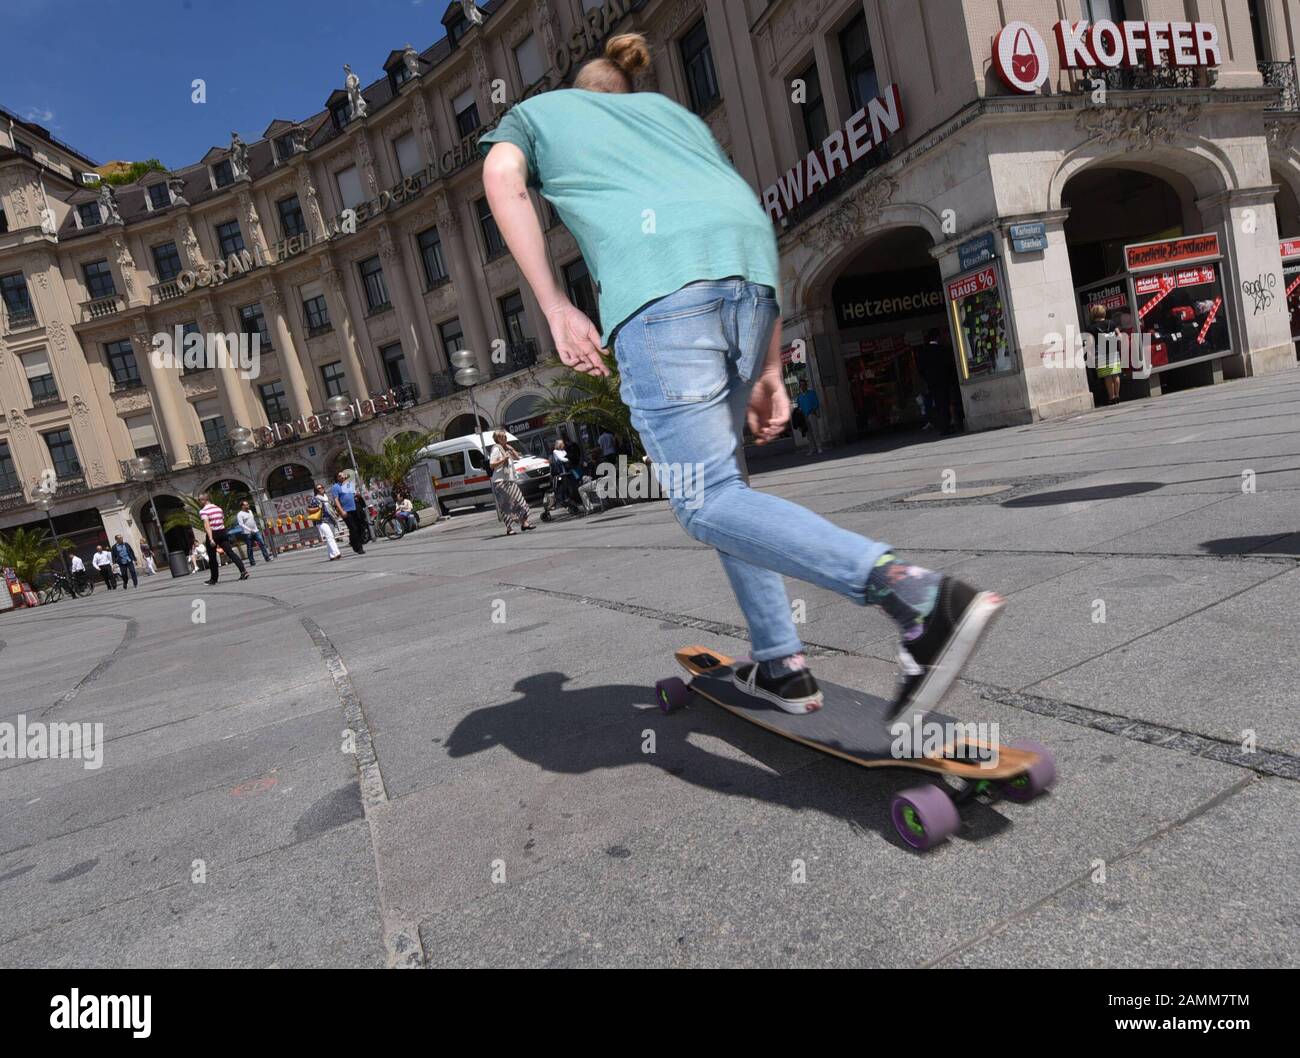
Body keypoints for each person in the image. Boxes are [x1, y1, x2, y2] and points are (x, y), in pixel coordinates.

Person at [480, 32, 1003, 716]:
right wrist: (768, 370)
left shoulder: (543, 111)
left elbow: (500, 179)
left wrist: (554, 306)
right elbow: (752, 221)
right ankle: (781, 661)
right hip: (746, 288)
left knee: (705, 502)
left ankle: (915, 595)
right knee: (730, 493)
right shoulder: (676, 122)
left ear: (582, 93)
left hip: (662, 302)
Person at [489, 430, 534, 535]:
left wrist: (511, 449)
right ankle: (509, 528)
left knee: (520, 501)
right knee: (506, 505)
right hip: (500, 482)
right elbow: (491, 465)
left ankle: (525, 523)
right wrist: (504, 459)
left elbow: (517, 457)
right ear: (497, 439)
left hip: (510, 480)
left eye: (505, 436)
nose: (504, 438)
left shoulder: (506, 448)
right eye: (502, 437)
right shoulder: (496, 449)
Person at [198, 493, 248, 584]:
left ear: (204, 500)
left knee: (212, 557)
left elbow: (207, 525)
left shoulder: (203, 511)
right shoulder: (218, 509)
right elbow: (221, 520)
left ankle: (214, 579)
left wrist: (210, 538)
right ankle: (243, 571)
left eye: (199, 500)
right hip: (222, 532)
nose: (199, 502)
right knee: (230, 552)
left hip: (213, 533)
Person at [1087, 303, 1123, 405]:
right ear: (1103, 313)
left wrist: (1090, 355)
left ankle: (1111, 397)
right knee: (1115, 374)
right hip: (1113, 351)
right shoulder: (1111, 323)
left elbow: (1090, 343)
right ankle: (1117, 395)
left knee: (1107, 376)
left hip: (1101, 353)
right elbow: (1119, 335)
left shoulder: (1091, 328)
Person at [330, 471, 366, 555]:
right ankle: (358, 548)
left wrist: (358, 495)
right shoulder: (335, 487)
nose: (342, 476)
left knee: (361, 526)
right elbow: (336, 500)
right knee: (353, 528)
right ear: (337, 478)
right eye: (339, 475)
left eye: (342, 474)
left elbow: (354, 494)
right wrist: (341, 511)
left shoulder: (349, 484)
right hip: (346, 510)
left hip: (355, 508)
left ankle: (353, 541)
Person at [308, 483, 342, 560]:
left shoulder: (328, 497)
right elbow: (309, 509)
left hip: (331, 519)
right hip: (321, 521)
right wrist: (318, 508)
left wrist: (337, 512)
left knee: (331, 537)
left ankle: (331, 556)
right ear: (316, 490)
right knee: (329, 536)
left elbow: (333, 507)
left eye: (322, 487)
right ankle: (337, 553)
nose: (321, 489)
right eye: (319, 488)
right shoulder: (315, 499)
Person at [236, 500, 273, 565]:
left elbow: (252, 520)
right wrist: (249, 529)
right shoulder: (240, 514)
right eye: (246, 505)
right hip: (247, 533)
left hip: (255, 531)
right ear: (242, 506)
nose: (248, 505)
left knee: (262, 543)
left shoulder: (250, 511)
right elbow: (241, 524)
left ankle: (267, 557)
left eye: (248, 504)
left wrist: (256, 528)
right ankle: (252, 561)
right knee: (249, 547)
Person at [794, 380, 823, 454]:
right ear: (800, 387)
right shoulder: (799, 396)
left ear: (806, 385)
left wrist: (814, 409)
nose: (803, 386)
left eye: (804, 385)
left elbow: (816, 402)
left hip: (811, 414)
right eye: (801, 385)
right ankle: (812, 448)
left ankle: (819, 447)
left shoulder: (812, 393)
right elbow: (799, 406)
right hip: (804, 417)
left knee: (815, 431)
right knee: (808, 433)